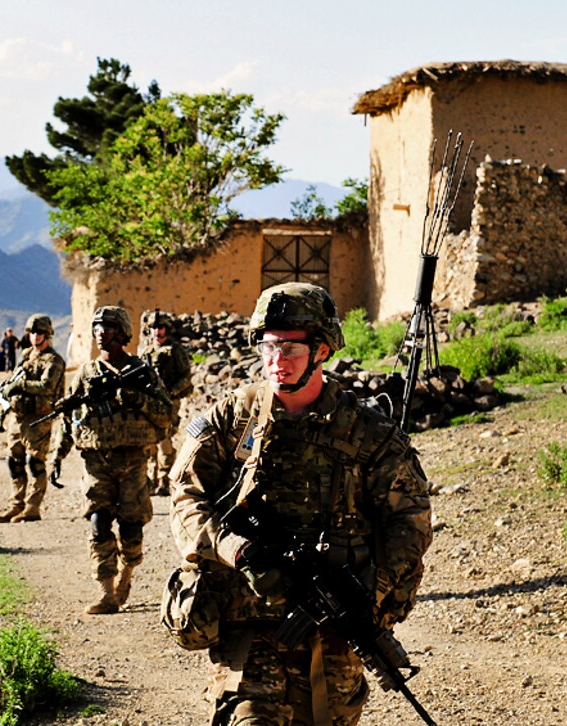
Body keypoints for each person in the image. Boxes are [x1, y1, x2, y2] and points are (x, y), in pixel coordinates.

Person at [169, 282, 433, 725]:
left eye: (291, 349)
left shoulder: (368, 432)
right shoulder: (232, 419)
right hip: (248, 626)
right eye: (268, 347)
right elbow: (186, 497)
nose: (277, 361)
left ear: (323, 350)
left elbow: (410, 521)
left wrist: (373, 588)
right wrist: (233, 548)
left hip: (334, 633)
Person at [49, 306, 174, 614]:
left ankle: (127, 576)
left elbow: (165, 415)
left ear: (121, 333)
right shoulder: (87, 373)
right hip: (96, 461)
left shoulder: (142, 372)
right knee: (98, 523)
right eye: (97, 329)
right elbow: (71, 418)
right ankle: (107, 592)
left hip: (132, 459)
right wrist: (57, 456)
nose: (101, 334)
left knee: (131, 529)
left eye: (107, 328)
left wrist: (135, 398)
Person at [0, 314, 66, 523]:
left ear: (48, 335)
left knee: (34, 461)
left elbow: (47, 386)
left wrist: (21, 386)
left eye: (40, 333)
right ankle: (16, 505)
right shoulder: (26, 355)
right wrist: (3, 407)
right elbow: (13, 382)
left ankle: (32, 507)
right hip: (18, 417)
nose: (35, 337)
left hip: (39, 417)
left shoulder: (53, 360)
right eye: (32, 333)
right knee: (13, 461)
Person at [142, 309, 194, 496]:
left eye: (161, 327)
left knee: (164, 438)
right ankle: (150, 478)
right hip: (150, 401)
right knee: (149, 439)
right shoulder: (146, 351)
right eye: (155, 327)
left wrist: (171, 392)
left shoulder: (176, 351)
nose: (158, 331)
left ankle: (164, 480)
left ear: (167, 329)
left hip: (169, 402)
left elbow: (186, 377)